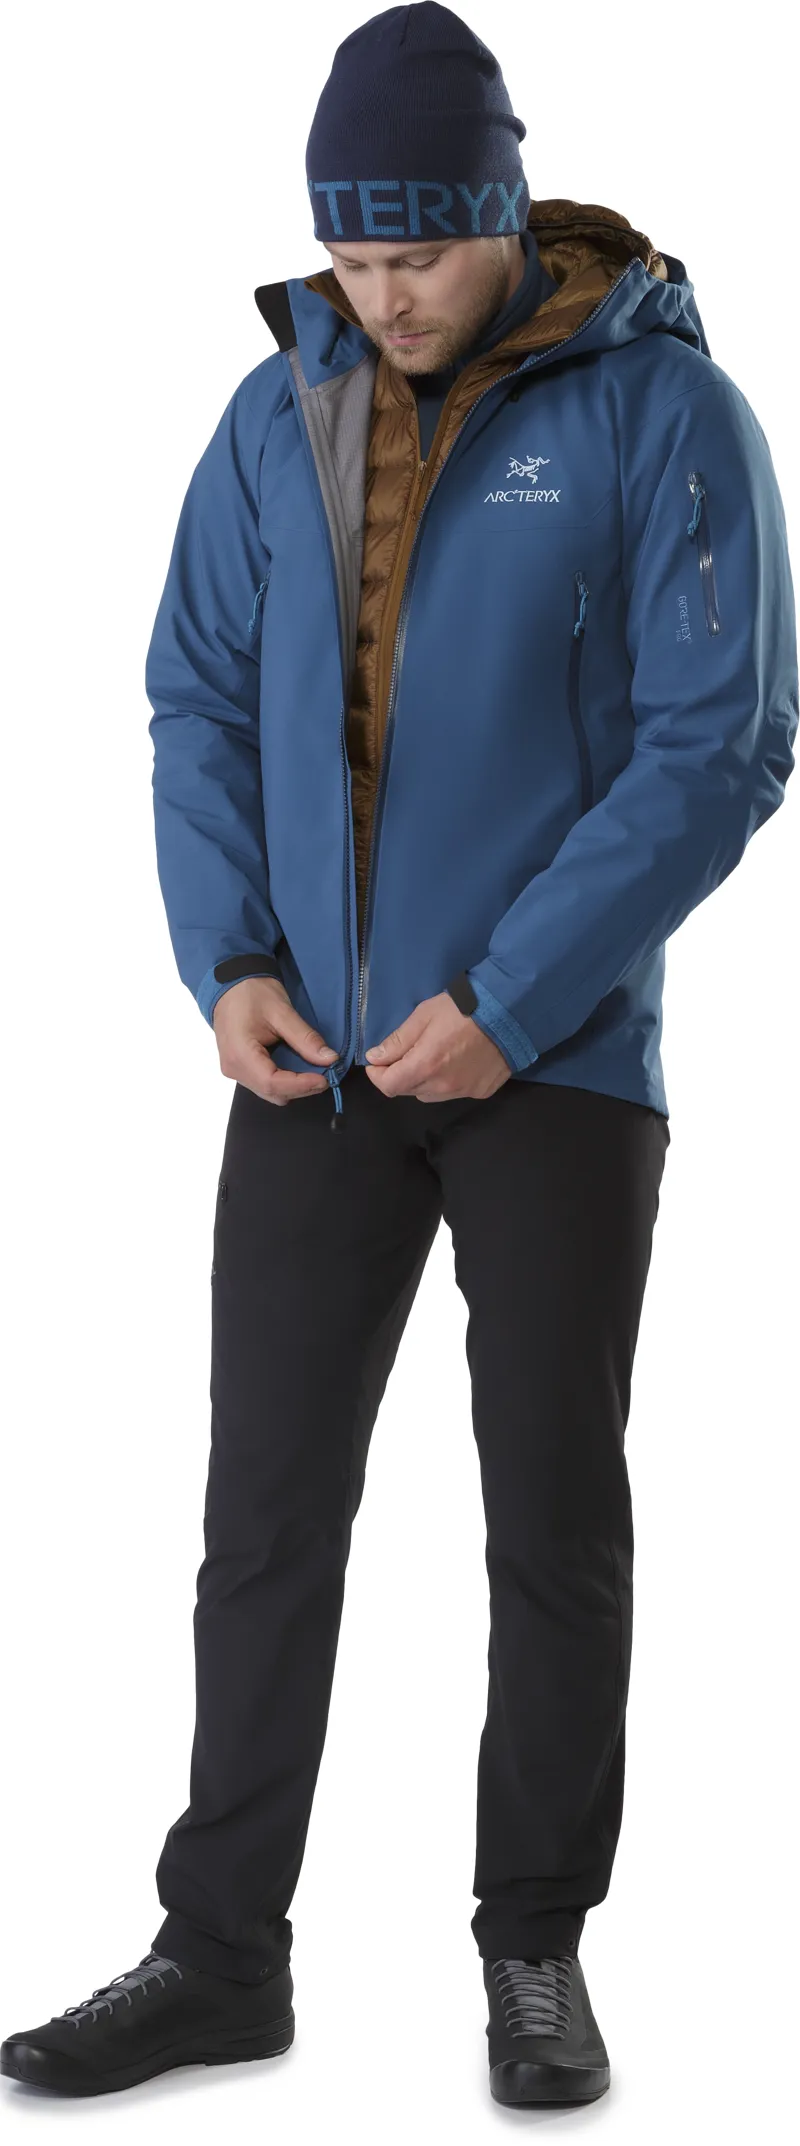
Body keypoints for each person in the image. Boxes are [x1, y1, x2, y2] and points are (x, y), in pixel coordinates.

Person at [3, 0, 796, 2109]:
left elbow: (721, 743)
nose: (382, 294)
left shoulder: (664, 410)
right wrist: (224, 961)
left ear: (502, 210)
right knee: (261, 1517)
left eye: (418, 252)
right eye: (348, 257)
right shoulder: (277, 411)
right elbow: (191, 692)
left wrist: (512, 999)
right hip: (315, 1067)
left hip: (557, 1068)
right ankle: (218, 1950)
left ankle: (533, 1943)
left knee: (551, 1518)